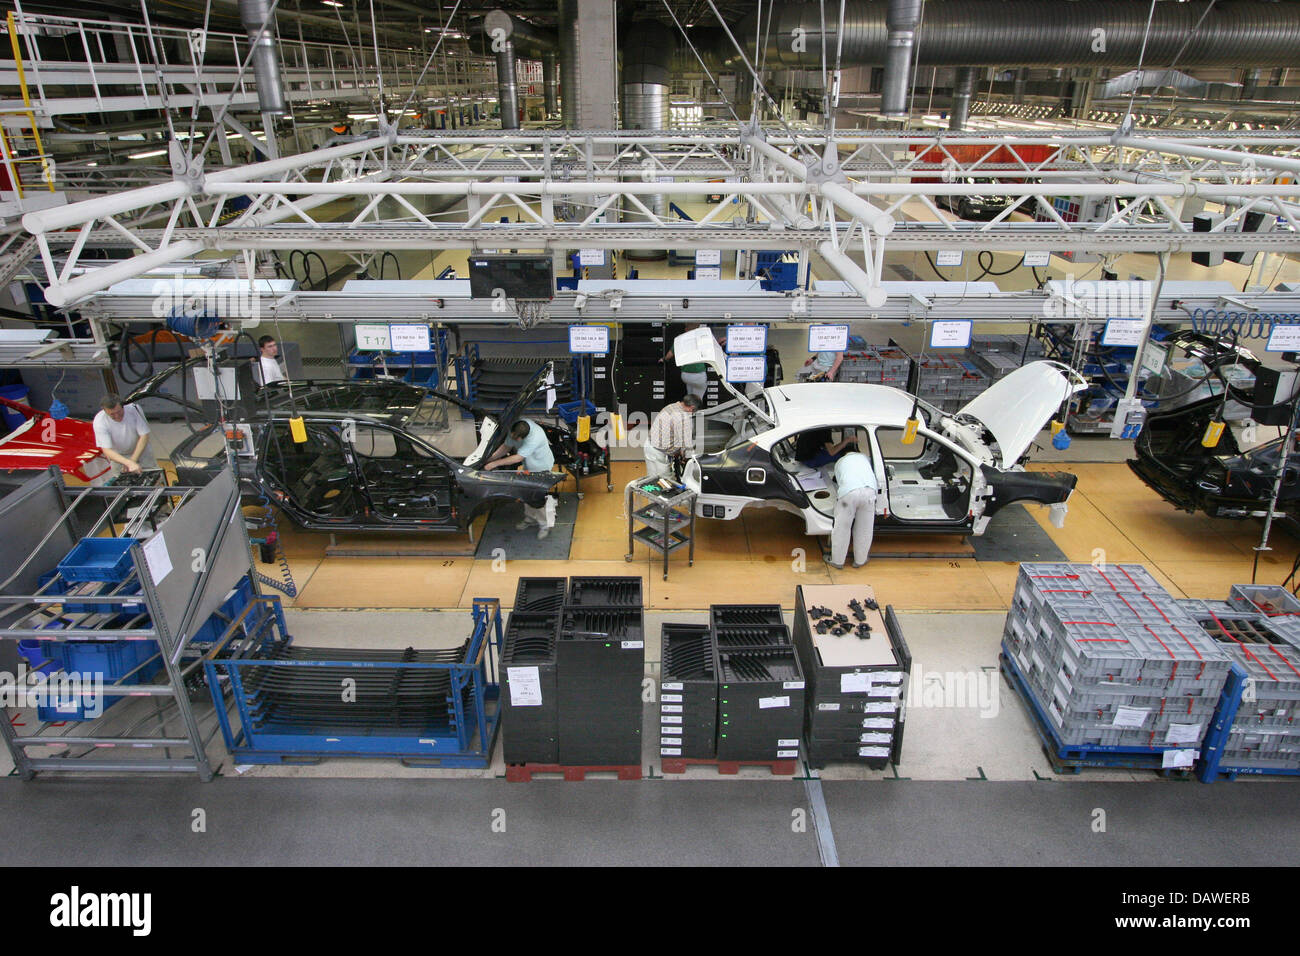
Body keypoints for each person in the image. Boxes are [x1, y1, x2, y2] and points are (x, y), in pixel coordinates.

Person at [484, 419, 557, 539]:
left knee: (537, 498)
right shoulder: (515, 428)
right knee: (525, 493)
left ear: (525, 436)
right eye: (514, 437)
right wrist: (490, 459)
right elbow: (506, 446)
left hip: (541, 467)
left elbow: (518, 457)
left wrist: (494, 464)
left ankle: (545, 525)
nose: (516, 441)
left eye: (518, 439)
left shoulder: (535, 437)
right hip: (528, 466)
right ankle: (530, 519)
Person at [828, 450, 879, 569]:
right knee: (864, 528)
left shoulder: (840, 462)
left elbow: (838, 481)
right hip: (870, 492)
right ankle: (860, 560)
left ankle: (837, 561)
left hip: (849, 493)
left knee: (842, 528)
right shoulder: (866, 458)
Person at [92, 393, 155, 480]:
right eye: (112, 414)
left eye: (119, 412)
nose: (117, 416)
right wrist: (128, 462)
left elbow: (144, 436)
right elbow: (107, 450)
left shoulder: (134, 409)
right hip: (118, 457)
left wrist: (132, 460)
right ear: (105, 411)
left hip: (141, 451)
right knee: (123, 483)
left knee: (152, 477)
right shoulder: (100, 421)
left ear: (123, 406)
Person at [645, 394, 700, 480]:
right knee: (665, 483)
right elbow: (687, 447)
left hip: (649, 445)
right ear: (691, 408)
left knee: (652, 480)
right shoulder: (683, 418)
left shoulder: (671, 406)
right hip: (658, 453)